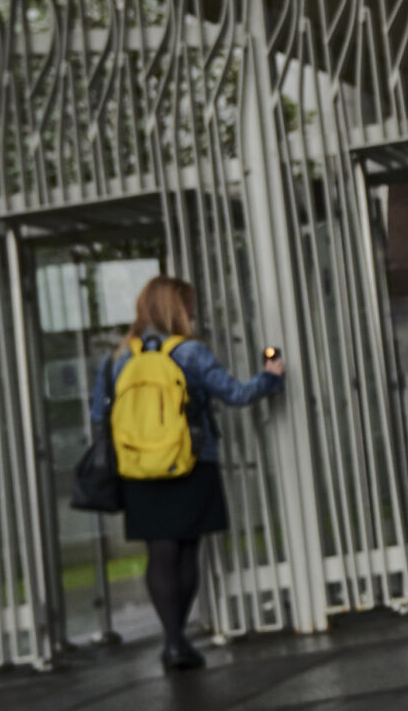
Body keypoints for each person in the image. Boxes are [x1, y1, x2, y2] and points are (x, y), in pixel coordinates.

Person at [89, 275, 285, 671]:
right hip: (191, 462)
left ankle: (173, 641)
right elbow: (236, 394)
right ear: (178, 308)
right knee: (187, 550)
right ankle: (179, 643)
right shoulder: (191, 352)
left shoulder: (119, 357)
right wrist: (271, 375)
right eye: (190, 304)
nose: (194, 311)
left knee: (160, 552)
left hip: (137, 469)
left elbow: (99, 416)